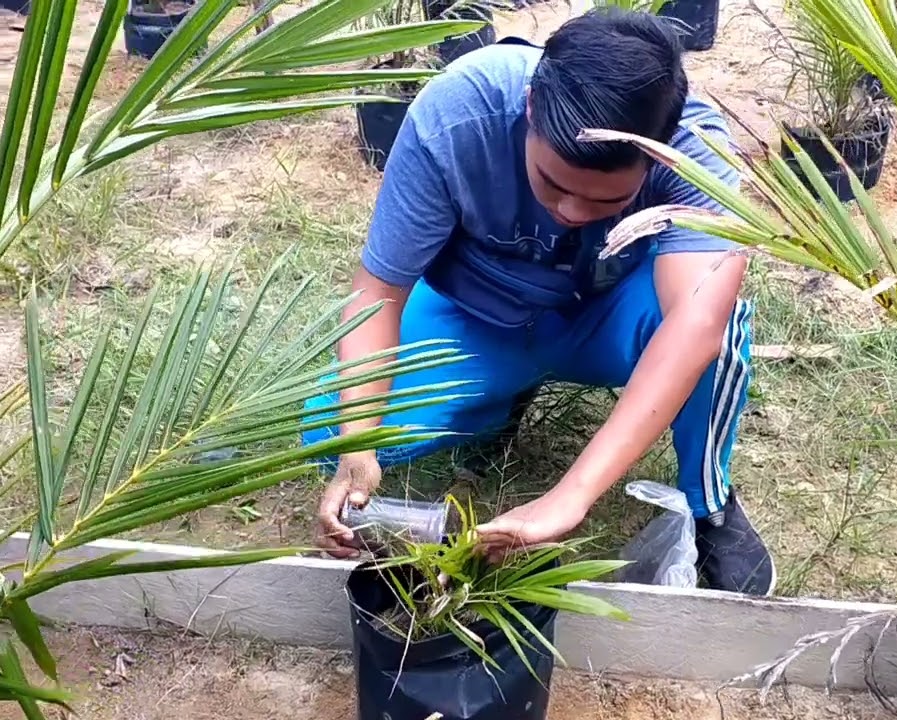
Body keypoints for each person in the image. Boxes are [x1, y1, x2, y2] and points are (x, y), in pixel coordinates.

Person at [303, 8, 774, 595]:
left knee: (716, 325)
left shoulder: (695, 151)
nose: (573, 212)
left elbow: (694, 325)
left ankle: (710, 504)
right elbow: (378, 290)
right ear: (529, 110)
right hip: (484, 313)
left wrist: (568, 497)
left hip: (609, 317)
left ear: (657, 155)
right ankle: (499, 398)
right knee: (331, 434)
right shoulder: (459, 113)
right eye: (553, 184)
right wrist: (360, 445)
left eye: (607, 200)